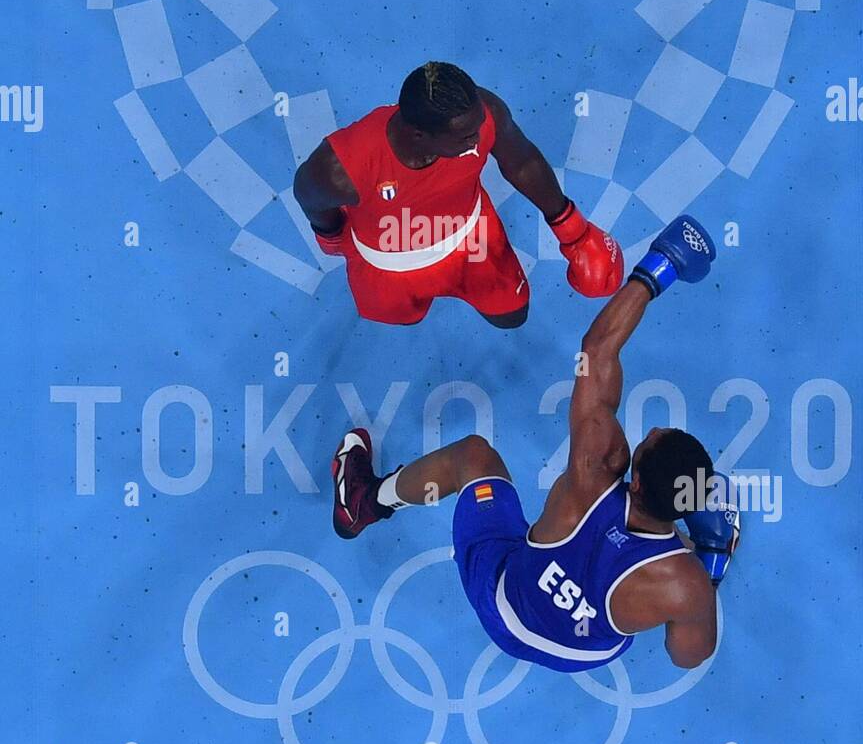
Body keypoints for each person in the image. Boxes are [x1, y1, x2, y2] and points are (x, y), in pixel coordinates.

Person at [331, 216, 739, 673]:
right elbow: (688, 656)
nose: (647, 434)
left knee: (474, 456)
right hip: (582, 653)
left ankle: (365, 501)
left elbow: (598, 349)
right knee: (681, 566)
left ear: (635, 479)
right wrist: (708, 571)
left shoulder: (594, 464)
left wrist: (659, 267)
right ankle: (712, 547)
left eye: (646, 443)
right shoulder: (685, 584)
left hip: (503, 599)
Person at [293, 61, 622, 328]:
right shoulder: (339, 169)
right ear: (420, 136)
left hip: (473, 241)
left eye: (478, 126)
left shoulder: (483, 113)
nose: (479, 139)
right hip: (388, 265)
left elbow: (521, 162)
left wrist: (572, 230)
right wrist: (332, 234)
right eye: (467, 136)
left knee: (512, 317)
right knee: (404, 321)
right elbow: (308, 196)